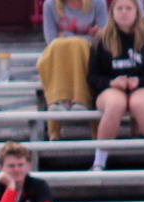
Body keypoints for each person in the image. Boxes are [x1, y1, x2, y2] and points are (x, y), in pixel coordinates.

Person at [89, 0, 144, 172]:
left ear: (136, 12)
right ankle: (99, 160)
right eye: (119, 8)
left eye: (128, 8)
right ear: (112, 12)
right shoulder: (102, 39)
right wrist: (111, 83)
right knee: (116, 103)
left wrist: (140, 82)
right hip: (111, 89)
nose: (124, 12)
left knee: (138, 103)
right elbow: (93, 76)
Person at [40, 0, 106, 132]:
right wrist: (85, 36)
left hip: (88, 57)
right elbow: (51, 40)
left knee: (76, 46)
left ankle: (80, 99)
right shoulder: (50, 5)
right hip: (61, 57)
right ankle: (59, 99)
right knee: (59, 47)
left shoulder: (98, 3)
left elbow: (104, 38)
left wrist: (69, 38)